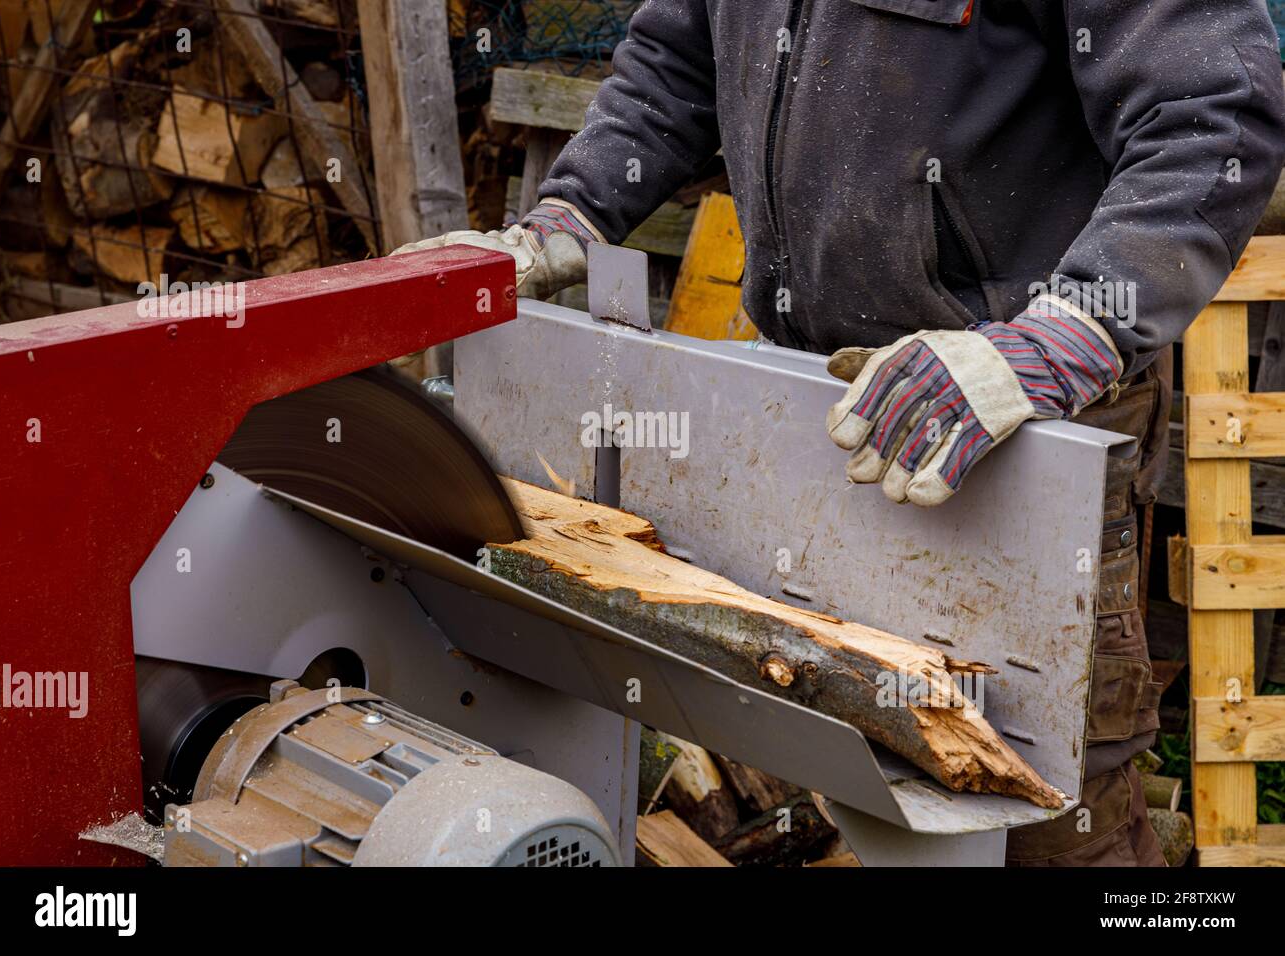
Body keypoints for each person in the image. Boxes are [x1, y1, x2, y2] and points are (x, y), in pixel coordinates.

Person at [398, 1, 1285, 864]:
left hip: (1019, 424)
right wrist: (575, 214)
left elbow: (1216, 118)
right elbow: (676, 61)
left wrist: (1062, 336)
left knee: (1036, 811)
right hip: (824, 405)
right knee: (875, 783)